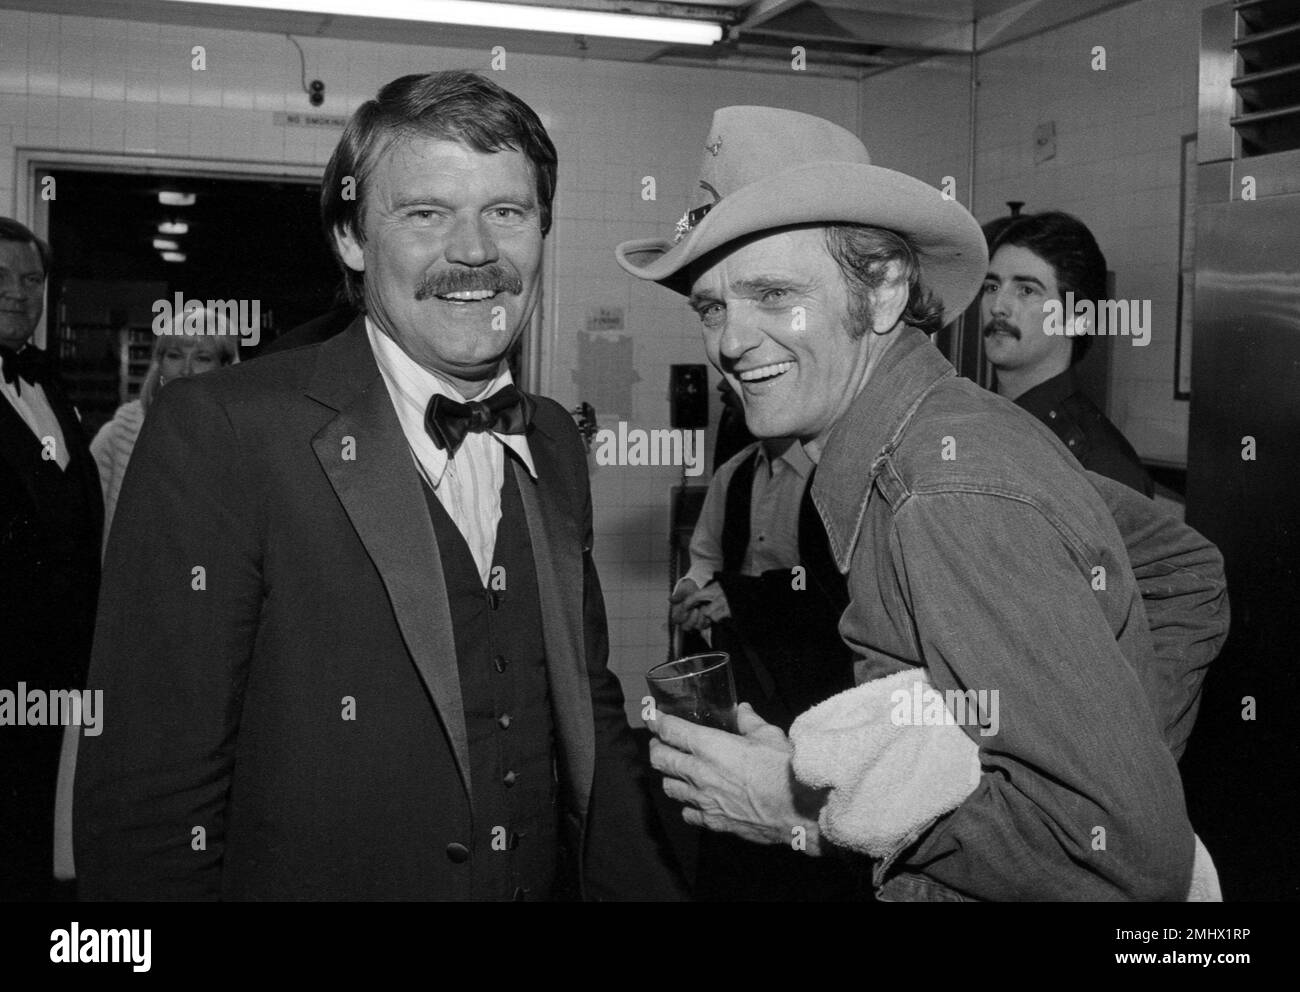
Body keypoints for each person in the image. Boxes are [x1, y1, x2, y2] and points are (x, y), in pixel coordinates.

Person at [75, 70, 684, 901]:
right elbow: (149, 800)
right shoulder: (223, 434)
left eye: (506, 212)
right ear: (353, 239)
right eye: (426, 214)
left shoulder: (552, 443)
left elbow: (585, 710)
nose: (475, 252)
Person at [616, 106, 1229, 900]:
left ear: (881, 293)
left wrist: (800, 808)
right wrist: (1112, 744)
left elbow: (1116, 864)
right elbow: (1184, 568)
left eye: (773, 294)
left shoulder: (939, 488)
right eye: (711, 305)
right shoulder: (934, 434)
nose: (731, 342)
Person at [670, 434, 855, 899]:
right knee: (731, 811)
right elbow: (707, 556)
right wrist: (692, 589)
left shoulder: (832, 471)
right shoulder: (733, 473)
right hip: (747, 669)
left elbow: (829, 581)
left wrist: (741, 596)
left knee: (803, 809)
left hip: (817, 676)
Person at [0, 217, 103, 901]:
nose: (18, 293)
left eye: (31, 280)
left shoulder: (49, 385)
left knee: (32, 826)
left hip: (54, 668)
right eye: (1, 280)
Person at [981, 210, 1153, 496]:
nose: (998, 305)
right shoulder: (962, 421)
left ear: (1079, 318)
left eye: (1026, 290)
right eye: (992, 286)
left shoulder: (1103, 467)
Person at [91, 305, 241, 552]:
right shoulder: (119, 435)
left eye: (203, 358)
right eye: (175, 355)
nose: (186, 369)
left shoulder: (242, 439)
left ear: (224, 367)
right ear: (159, 363)